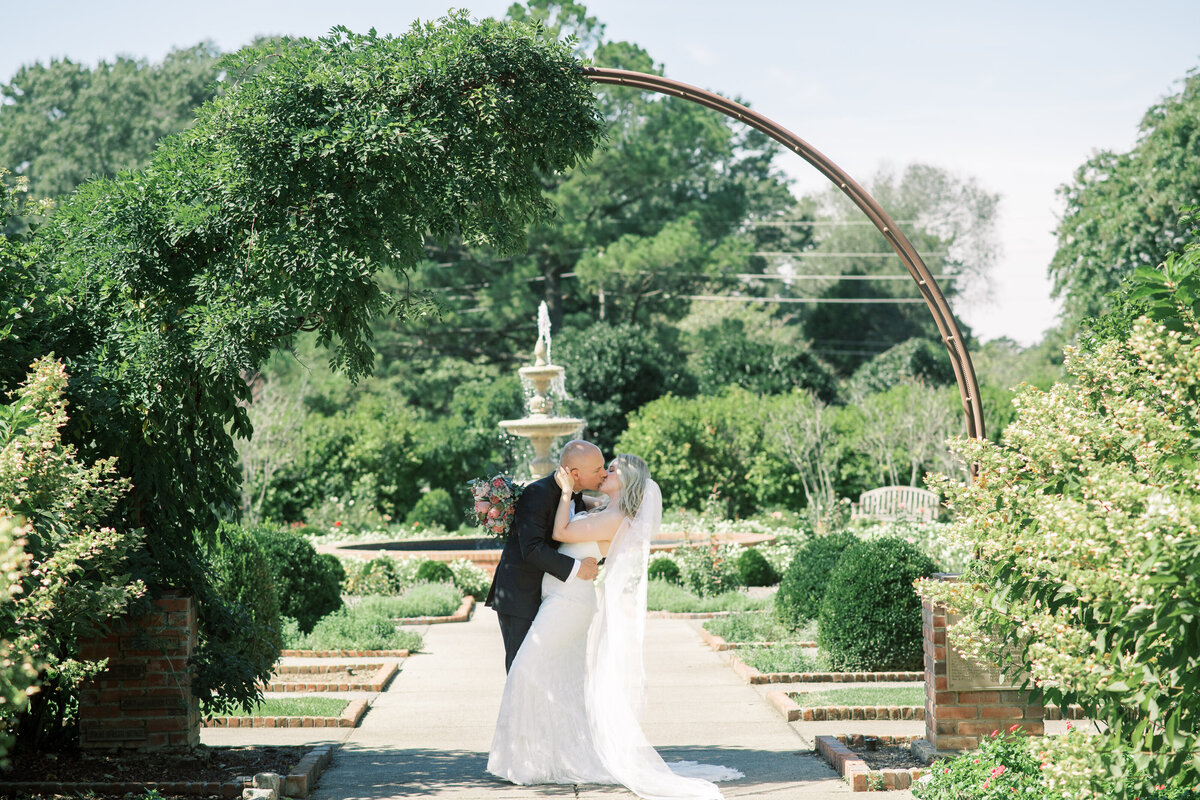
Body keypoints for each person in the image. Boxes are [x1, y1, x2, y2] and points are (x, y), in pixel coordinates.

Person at [488, 454, 741, 798]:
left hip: (568, 605)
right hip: (560, 601)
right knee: (556, 682)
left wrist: (564, 494)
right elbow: (573, 512)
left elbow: (562, 530)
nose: (607, 471)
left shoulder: (616, 518)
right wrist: (561, 494)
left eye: (613, 469)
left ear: (628, 481)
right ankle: (548, 757)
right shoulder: (606, 509)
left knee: (526, 671)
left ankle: (522, 761)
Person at [484, 439, 606, 672]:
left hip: (553, 598)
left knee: (546, 671)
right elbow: (532, 549)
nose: (603, 473)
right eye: (597, 469)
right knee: (522, 669)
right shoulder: (537, 493)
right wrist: (578, 569)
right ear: (575, 474)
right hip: (521, 596)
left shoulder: (574, 495)